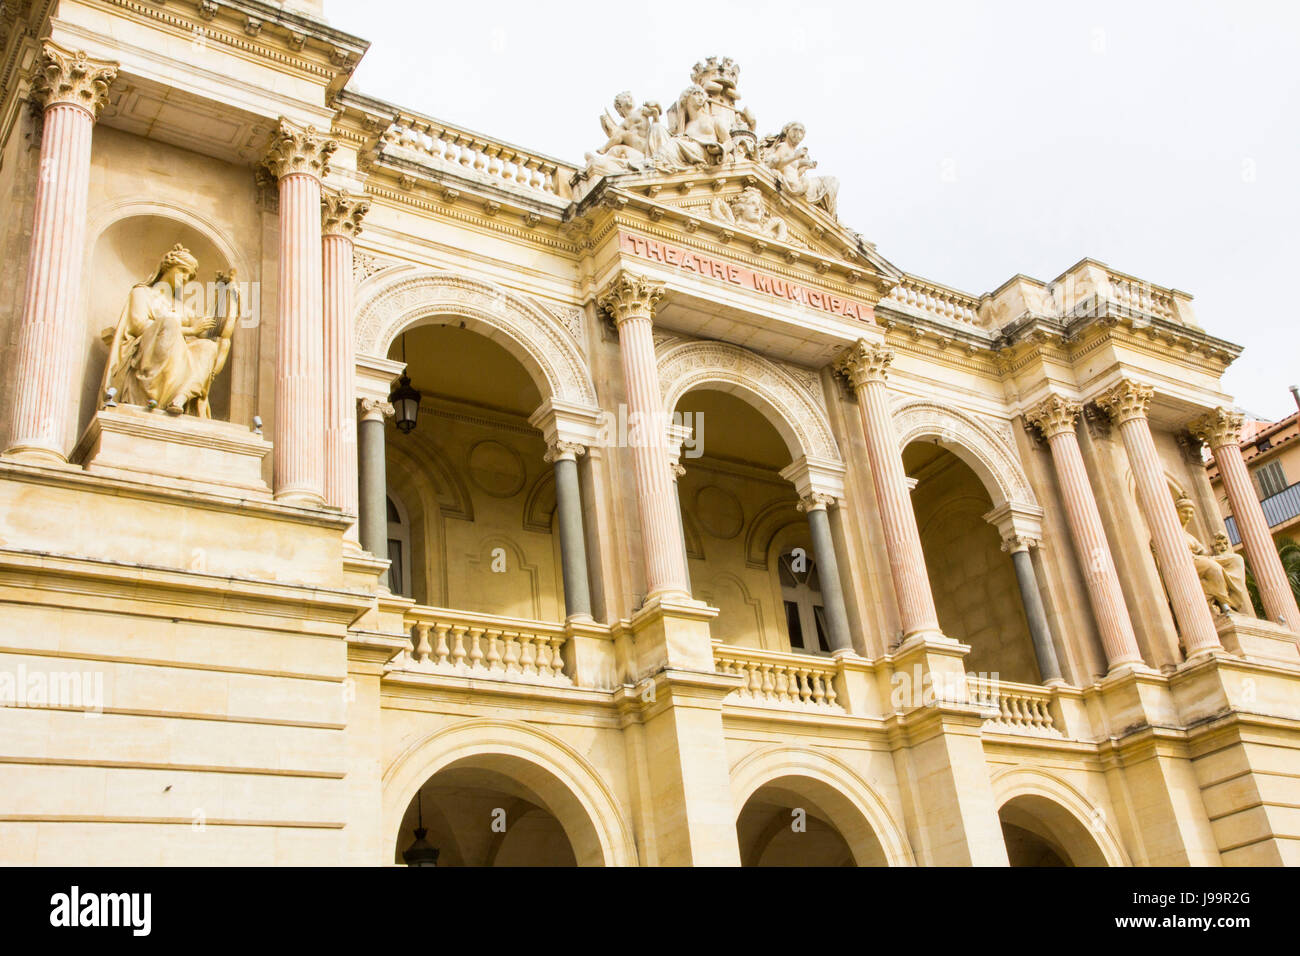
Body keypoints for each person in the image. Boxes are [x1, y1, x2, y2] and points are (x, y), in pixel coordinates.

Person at [100, 244, 239, 418]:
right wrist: (188, 330)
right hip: (147, 357)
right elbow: (138, 325)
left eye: (189, 277)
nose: (185, 279)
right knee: (169, 322)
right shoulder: (142, 293)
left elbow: (211, 332)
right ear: (168, 267)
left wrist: (226, 295)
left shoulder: (183, 308)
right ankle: (157, 394)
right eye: (182, 271)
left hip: (177, 366)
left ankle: (181, 396)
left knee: (207, 347)